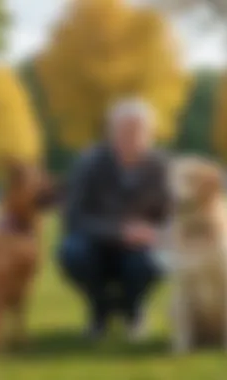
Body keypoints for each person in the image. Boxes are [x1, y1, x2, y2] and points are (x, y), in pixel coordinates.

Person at [59, 98, 172, 341]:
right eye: (124, 131)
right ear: (111, 133)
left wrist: (154, 232)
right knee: (72, 251)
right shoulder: (89, 163)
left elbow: (173, 215)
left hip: (141, 249)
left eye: (138, 131)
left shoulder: (162, 167)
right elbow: (73, 216)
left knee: (156, 258)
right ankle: (99, 311)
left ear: (150, 133)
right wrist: (119, 231)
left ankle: (133, 312)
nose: (132, 137)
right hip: (96, 245)